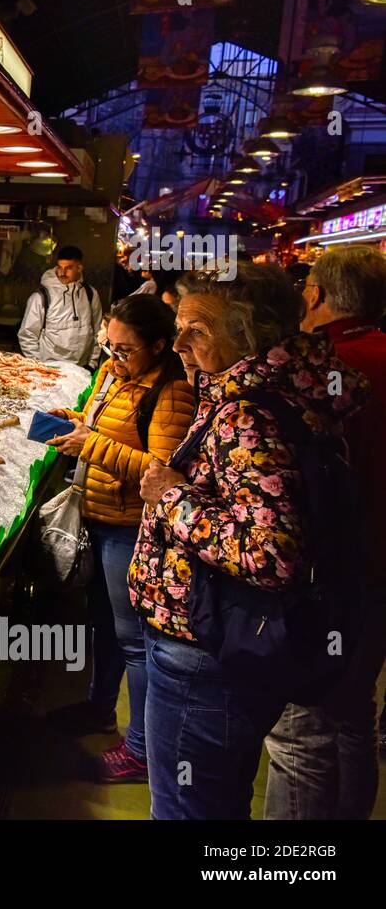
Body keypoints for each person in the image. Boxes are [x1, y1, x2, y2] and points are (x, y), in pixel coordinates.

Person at [129, 264, 368, 819]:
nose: (181, 344)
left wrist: (170, 496)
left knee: (189, 811)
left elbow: (271, 553)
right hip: (222, 650)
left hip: (204, 650)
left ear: (250, 336)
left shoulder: (247, 414)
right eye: (180, 327)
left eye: (199, 331)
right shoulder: (269, 391)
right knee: (217, 800)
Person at [43, 295, 196, 782]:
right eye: (109, 347)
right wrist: (71, 421)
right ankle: (97, 709)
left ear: (158, 346)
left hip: (129, 528)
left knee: (134, 640)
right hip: (97, 513)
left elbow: (161, 473)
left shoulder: (172, 392)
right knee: (103, 628)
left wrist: (94, 445)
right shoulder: (113, 375)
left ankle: (141, 750)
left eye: (125, 350)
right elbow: (95, 423)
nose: (114, 358)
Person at [264, 246, 386, 819]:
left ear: (313, 295)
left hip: (332, 576)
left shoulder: (324, 369)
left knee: (300, 729)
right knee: (352, 713)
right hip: (376, 575)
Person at [17, 245, 103, 368]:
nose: (62, 273)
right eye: (60, 267)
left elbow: (99, 331)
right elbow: (27, 335)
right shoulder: (41, 297)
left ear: (79, 268)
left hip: (82, 368)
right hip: (50, 368)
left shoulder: (90, 294)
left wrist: (92, 363)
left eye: (68, 268)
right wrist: (39, 367)